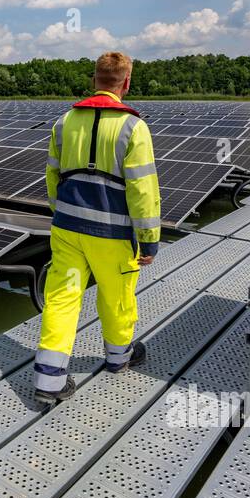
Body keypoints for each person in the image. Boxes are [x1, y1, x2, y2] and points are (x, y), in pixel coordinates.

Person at [34, 51, 161, 404]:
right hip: (112, 234)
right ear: (126, 82)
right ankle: (118, 358)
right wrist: (149, 240)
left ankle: (48, 380)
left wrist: (62, 215)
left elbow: (52, 176)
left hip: (68, 229)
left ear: (94, 79)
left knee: (62, 298)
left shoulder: (64, 122)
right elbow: (143, 189)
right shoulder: (134, 127)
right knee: (116, 296)